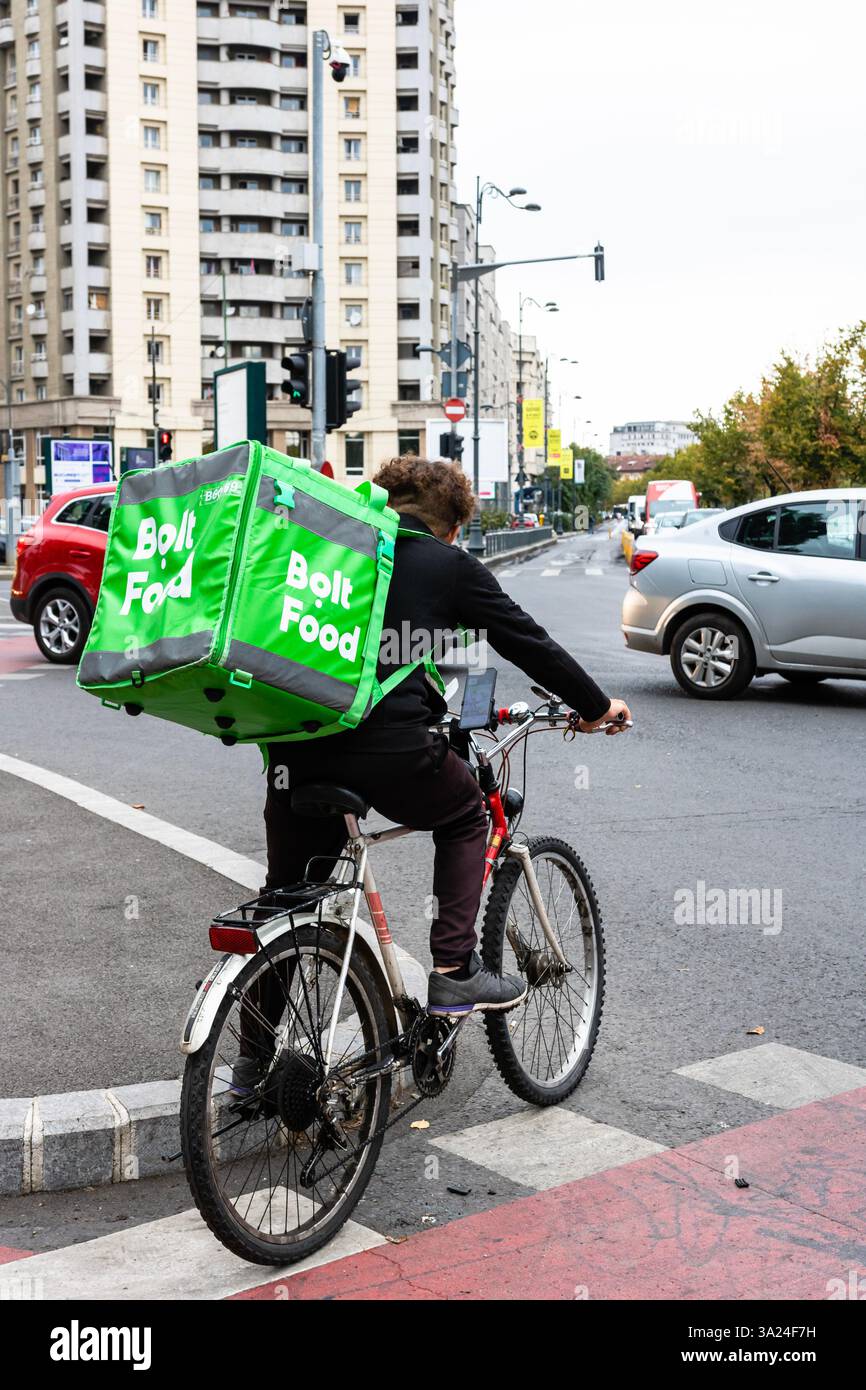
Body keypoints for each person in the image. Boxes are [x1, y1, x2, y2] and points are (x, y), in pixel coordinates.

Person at [257, 455, 631, 1015]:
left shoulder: (330, 550)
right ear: (454, 529)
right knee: (464, 814)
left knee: (285, 904)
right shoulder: (446, 565)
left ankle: (248, 1067)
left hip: (296, 746)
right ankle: (455, 971)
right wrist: (597, 707)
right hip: (389, 749)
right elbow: (528, 642)